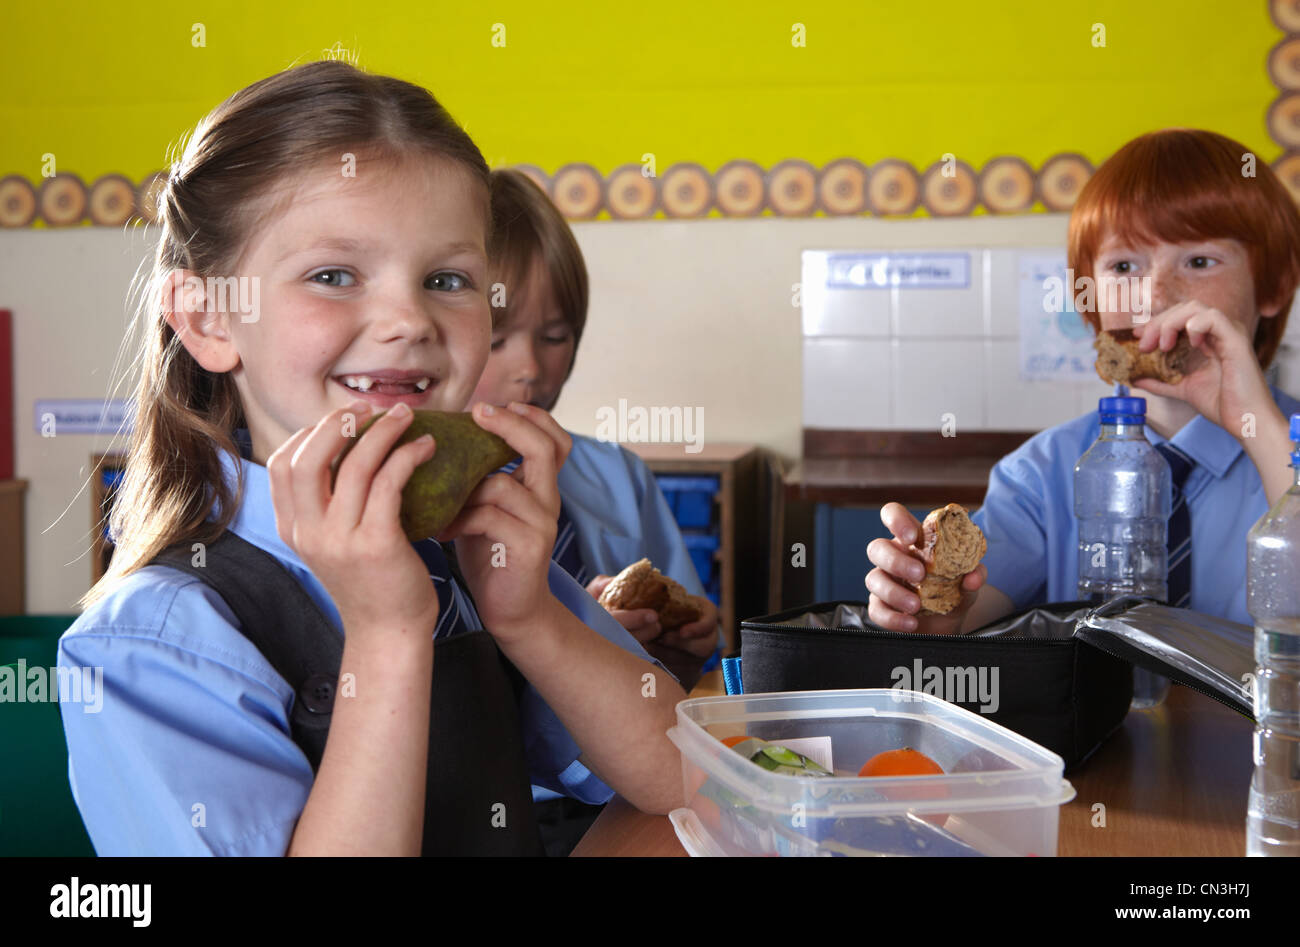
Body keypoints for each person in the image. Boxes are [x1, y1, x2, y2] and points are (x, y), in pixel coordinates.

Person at [56, 60, 686, 856]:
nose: (407, 317)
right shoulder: (155, 639)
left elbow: (694, 784)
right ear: (209, 320)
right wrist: (388, 635)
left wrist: (528, 617)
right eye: (332, 275)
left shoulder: (467, 553)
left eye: (447, 278)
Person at [866, 129, 1300, 634]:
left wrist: (1256, 429)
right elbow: (960, 617)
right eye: (1123, 266)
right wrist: (926, 598)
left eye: (1200, 261)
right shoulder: (1041, 476)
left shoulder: (1279, 444)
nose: (1155, 295)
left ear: (1272, 285)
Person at [473, 169, 720, 854]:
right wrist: (580, 643)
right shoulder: (432, 515)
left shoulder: (616, 474)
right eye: (497, 340)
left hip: (638, 791)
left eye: (554, 336)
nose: (529, 368)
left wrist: (678, 637)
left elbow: (691, 659)